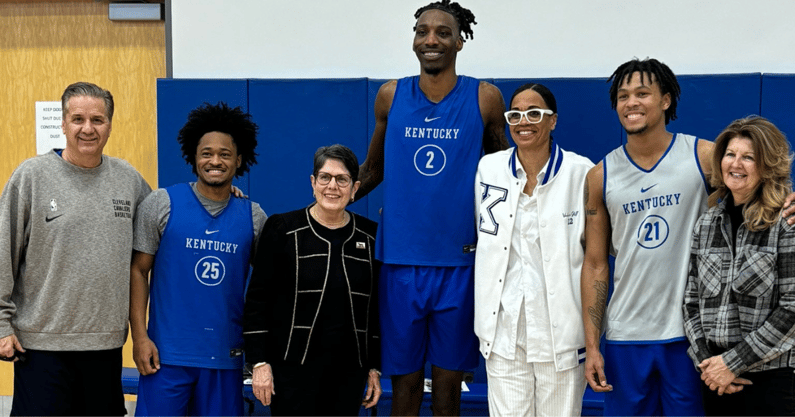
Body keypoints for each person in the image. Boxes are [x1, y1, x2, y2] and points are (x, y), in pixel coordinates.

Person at [356, 1, 508, 414]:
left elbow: (505, 174)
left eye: (442, 32)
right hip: (400, 264)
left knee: (447, 390)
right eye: (422, 31)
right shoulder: (390, 95)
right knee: (402, 388)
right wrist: (329, 200)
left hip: (459, 264)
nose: (431, 40)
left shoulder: (485, 98)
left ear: (460, 41)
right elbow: (373, 169)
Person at [0, 82, 151, 416]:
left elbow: (165, 220)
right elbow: (2, 252)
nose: (87, 128)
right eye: (78, 119)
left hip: (106, 344)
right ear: (63, 124)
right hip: (41, 345)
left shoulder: (127, 179)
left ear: (110, 125)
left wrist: (220, 197)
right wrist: (1, 325)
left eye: (97, 120)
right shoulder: (31, 176)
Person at [580, 58, 712, 416]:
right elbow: (594, 264)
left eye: (642, 93)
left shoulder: (704, 157)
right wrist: (593, 345)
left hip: (689, 338)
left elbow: (760, 193)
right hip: (626, 337)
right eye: (623, 96)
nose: (631, 103)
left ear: (666, 100)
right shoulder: (600, 175)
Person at [129, 102, 266, 416]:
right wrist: (139, 337)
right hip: (165, 356)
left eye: (224, 154)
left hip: (224, 357)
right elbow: (138, 271)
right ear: (193, 156)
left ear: (239, 160)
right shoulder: (161, 203)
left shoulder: (253, 216)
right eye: (206, 153)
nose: (214, 161)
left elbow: (267, 289)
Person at [474, 83, 592, 416]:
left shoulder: (581, 172)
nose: (524, 121)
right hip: (503, 333)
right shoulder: (489, 170)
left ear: (553, 121)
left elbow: (596, 257)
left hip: (562, 337)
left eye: (535, 113)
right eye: (516, 115)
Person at [243, 144, 382, 416]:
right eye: (325, 177)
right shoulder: (283, 229)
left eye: (342, 179)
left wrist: (374, 367)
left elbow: (375, 309)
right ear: (313, 182)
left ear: (354, 188)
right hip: (291, 371)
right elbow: (258, 298)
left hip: (348, 373)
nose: (332, 186)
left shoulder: (370, 235)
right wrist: (259, 362)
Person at [684, 116, 795, 416]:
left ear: (767, 166)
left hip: (772, 379)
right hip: (716, 380)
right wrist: (707, 363)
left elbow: (792, 307)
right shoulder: (706, 225)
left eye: (749, 157)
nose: (736, 164)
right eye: (731, 155)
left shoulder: (786, 222)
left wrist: (732, 363)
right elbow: (691, 303)